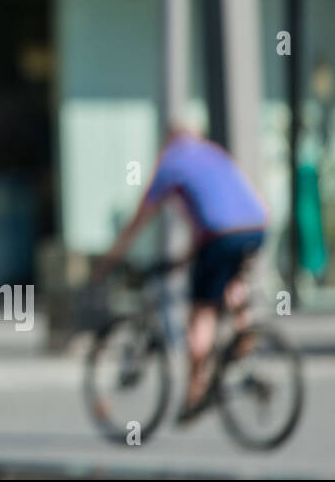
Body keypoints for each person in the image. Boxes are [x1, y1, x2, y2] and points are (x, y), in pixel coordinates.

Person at [93, 122, 269, 425]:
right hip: (256, 225)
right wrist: (183, 260)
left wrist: (109, 261)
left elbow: (141, 218)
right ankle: (244, 333)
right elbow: (217, 215)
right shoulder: (213, 153)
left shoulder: (171, 162)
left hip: (219, 235)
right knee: (227, 274)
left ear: (168, 142)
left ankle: (195, 392)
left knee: (201, 312)